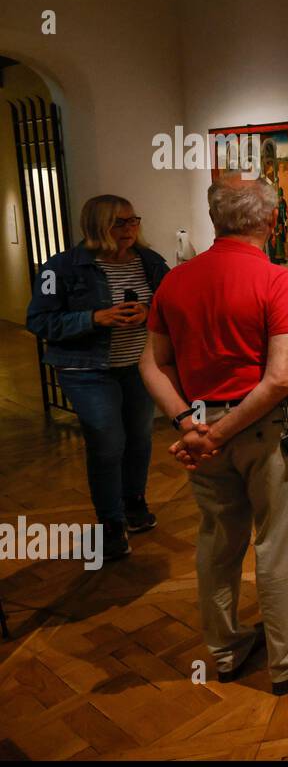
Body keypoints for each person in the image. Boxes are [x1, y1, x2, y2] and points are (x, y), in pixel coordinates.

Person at [138, 176, 288, 694]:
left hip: (205, 430)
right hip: (269, 432)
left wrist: (192, 426)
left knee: (218, 538)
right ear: (271, 222)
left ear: (216, 220)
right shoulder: (277, 281)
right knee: (281, 544)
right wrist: (219, 431)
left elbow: (153, 364)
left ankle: (226, 650)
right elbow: (279, 377)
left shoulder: (175, 282)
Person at [26, 196, 169, 561]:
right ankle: (110, 523)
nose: (129, 229)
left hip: (138, 366)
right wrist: (94, 318)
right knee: (107, 443)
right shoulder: (59, 269)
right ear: (96, 226)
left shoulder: (150, 262)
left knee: (139, 438)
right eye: (118, 223)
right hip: (86, 370)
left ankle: (134, 502)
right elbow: (39, 321)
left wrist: (147, 312)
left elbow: (172, 306)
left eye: (132, 220)